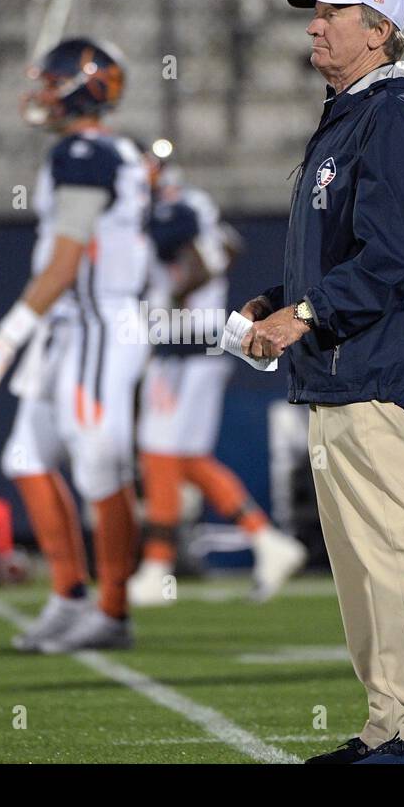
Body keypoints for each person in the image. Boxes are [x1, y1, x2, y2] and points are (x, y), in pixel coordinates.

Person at [242, 0, 404, 764]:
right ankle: (392, 724)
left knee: (396, 560)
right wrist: (281, 297)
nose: (314, 23)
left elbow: (398, 254)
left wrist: (304, 314)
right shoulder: (354, 114)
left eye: (332, 12)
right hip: (339, 372)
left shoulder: (396, 116)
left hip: (368, 369)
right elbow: (347, 247)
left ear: (378, 31)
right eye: (314, 11)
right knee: (360, 569)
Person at [0, 37, 151, 653]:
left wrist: (7, 335)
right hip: (72, 326)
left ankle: (113, 610)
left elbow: (68, 259)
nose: (44, 93)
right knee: (27, 458)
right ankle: (69, 596)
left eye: (53, 81)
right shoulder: (83, 151)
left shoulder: (86, 151)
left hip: (99, 324)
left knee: (101, 467)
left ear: (81, 87)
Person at [129, 146, 306, 606]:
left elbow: (203, 261)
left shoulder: (172, 209)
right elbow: (228, 246)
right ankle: (267, 541)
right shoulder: (192, 201)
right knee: (183, 457)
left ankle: (157, 565)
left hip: (185, 345)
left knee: (158, 451)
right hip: (202, 341)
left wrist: (169, 300)